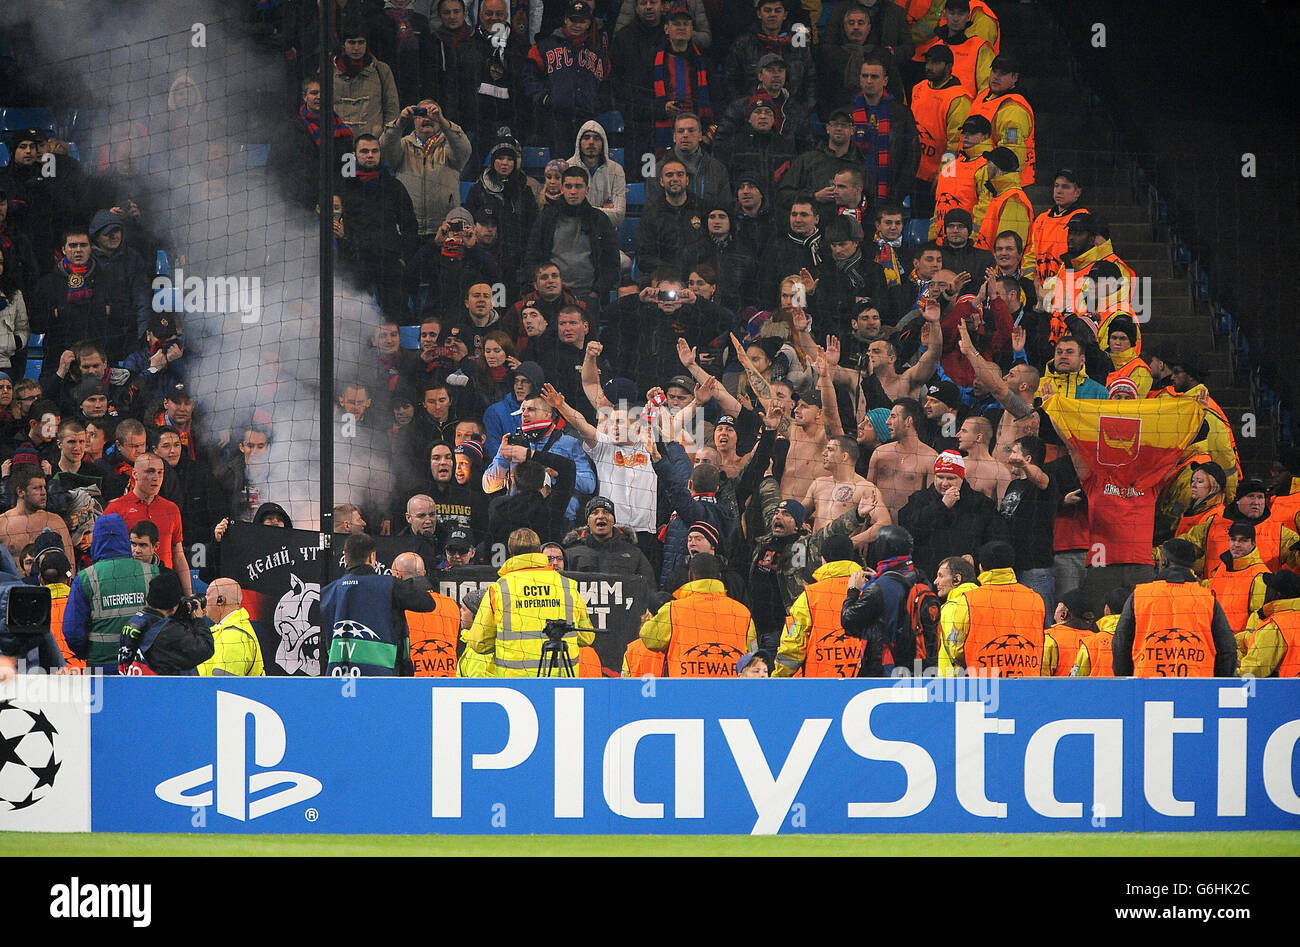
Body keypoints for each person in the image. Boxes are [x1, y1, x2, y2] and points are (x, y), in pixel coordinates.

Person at [463, 527, 596, 676]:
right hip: (561, 683)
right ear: (539, 551)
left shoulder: (499, 590)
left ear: (511, 553)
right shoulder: (567, 586)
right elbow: (587, 637)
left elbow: (479, 643)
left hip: (516, 685)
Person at [1111, 538, 1237, 677]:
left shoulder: (1140, 595)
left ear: (1164, 561)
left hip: (1147, 687)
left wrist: (1126, 680)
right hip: (1198, 689)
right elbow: (1227, 649)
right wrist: (1216, 684)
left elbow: (1121, 643)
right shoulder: (1207, 599)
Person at [321, 533, 437, 676]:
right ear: (372, 557)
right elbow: (428, 603)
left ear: (345, 559)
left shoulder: (326, 593)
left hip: (338, 677)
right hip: (384, 677)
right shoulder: (389, 585)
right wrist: (411, 579)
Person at [840, 524, 940, 676]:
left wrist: (853, 590)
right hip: (920, 667)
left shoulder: (880, 587)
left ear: (884, 549)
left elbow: (848, 620)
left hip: (885, 669)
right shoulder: (922, 579)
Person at [943, 540, 1053, 676]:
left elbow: (956, 649)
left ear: (981, 567)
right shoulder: (1035, 599)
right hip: (1026, 683)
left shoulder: (968, 600)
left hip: (985, 685)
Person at [639, 552, 756, 676]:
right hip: (730, 690)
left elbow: (649, 639)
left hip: (686, 690)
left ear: (691, 575)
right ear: (719, 576)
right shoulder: (742, 612)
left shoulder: (673, 610)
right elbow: (753, 653)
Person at [898, 450, 1008, 581]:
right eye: (940, 477)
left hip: (966, 580)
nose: (944, 483)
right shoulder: (919, 500)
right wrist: (941, 506)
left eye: (951, 478)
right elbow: (909, 532)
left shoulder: (980, 504)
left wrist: (976, 557)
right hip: (927, 577)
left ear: (962, 478)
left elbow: (998, 539)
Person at [381, 99, 474, 239]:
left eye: (432, 115)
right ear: (413, 120)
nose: (427, 119)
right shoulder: (403, 146)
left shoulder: (449, 146)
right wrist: (399, 123)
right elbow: (384, 147)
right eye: (421, 114)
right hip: (409, 228)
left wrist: (443, 121)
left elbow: (465, 148)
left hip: (443, 229)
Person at [774, 533, 864, 677]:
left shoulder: (810, 596)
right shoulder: (868, 590)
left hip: (818, 685)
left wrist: (779, 677)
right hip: (864, 683)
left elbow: (793, 644)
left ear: (823, 559)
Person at [104, 452, 192, 595]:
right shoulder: (116, 510)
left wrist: (189, 595)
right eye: (150, 471)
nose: (156, 478)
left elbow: (178, 555)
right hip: (131, 588)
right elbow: (108, 558)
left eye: (160, 472)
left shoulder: (171, 509)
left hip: (166, 588)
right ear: (135, 474)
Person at [116, 571, 214, 676]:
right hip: (161, 688)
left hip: (134, 683)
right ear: (173, 606)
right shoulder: (165, 631)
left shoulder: (135, 621)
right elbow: (205, 649)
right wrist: (197, 619)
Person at [391, 550, 462, 677]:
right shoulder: (452, 604)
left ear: (397, 576)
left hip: (411, 683)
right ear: (423, 573)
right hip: (448, 683)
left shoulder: (398, 608)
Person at [867, 398, 939, 521]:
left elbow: (930, 503)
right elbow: (868, 493)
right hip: (875, 526)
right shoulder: (880, 453)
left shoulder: (930, 458)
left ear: (908, 421)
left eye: (893, 417)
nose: (887, 422)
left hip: (908, 530)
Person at [562, 496, 658, 586]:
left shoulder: (634, 554)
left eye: (606, 512)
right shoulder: (571, 554)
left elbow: (649, 588)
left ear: (614, 521)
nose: (601, 516)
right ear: (587, 522)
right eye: (595, 512)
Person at [331, 27, 400, 138]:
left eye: (361, 42)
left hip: (372, 141)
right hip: (338, 139)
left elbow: (391, 107)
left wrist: (387, 138)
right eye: (351, 43)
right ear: (343, 44)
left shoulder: (381, 70)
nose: (356, 48)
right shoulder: (328, 71)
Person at [0, 465, 74, 566]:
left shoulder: (56, 522)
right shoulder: (2, 524)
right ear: (20, 492)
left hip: (51, 581)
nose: (44, 493)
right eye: (37, 488)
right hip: (14, 581)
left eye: (44, 487)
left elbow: (70, 564)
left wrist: (70, 579)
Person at [1206, 521, 1269, 633]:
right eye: (1233, 539)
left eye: (1243, 540)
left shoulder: (1260, 576)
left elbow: (1258, 618)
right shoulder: (1223, 567)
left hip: (1237, 647)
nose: (1236, 544)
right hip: (1215, 641)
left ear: (1253, 543)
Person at [196, 578, 265, 677]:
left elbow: (224, 685)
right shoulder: (221, 628)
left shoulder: (235, 635)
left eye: (207, 595)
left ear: (220, 600)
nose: (204, 600)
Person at [1237, 571, 1300, 679]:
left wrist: (1231, 667)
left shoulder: (1276, 626)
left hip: (1287, 691)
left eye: (1269, 588)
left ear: (1277, 593)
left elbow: (1254, 670)